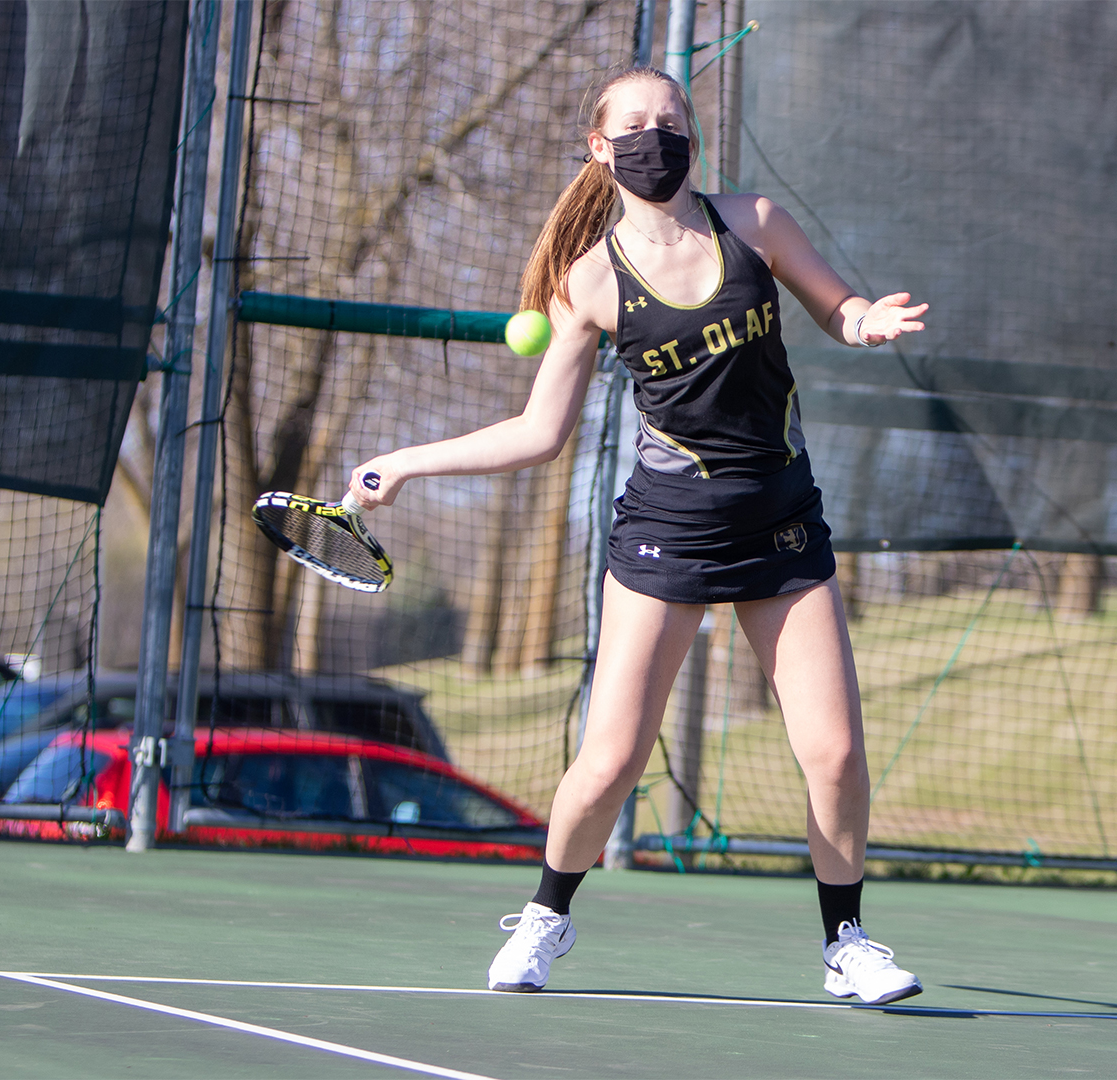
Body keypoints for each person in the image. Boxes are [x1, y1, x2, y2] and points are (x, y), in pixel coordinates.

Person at [348, 67, 928, 1005]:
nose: (655, 136)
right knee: (611, 760)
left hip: (781, 524)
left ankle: (846, 940)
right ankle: (545, 915)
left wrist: (862, 322)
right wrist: (408, 462)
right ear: (600, 149)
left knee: (836, 755)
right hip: (665, 535)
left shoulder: (755, 223)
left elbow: (835, 303)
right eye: (634, 125)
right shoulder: (588, 284)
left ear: (693, 138)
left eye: (672, 122)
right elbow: (539, 435)